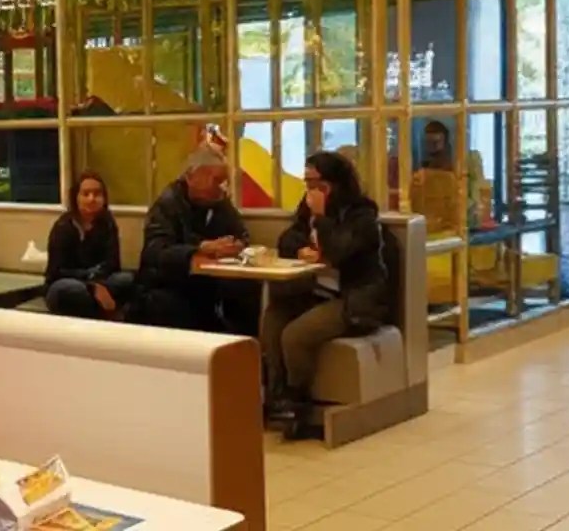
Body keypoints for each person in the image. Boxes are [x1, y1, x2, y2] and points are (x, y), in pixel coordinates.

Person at [263, 151, 391, 429]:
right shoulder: (306, 207)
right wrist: (300, 248)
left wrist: (321, 218)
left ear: (333, 183)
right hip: (316, 291)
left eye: (315, 183)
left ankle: (298, 399)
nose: (309, 190)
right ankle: (276, 395)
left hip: (356, 300)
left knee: (295, 335)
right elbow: (287, 238)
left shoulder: (362, 215)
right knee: (273, 318)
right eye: (306, 182)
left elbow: (340, 251)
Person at [136, 145, 261, 335]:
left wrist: (236, 245)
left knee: (247, 290)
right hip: (169, 284)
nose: (223, 187)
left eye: (225, 181)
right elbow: (156, 251)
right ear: (191, 177)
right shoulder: (168, 204)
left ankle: (247, 353)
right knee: (176, 307)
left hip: (207, 283)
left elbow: (241, 233)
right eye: (217, 180)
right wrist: (200, 248)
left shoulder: (219, 202)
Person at [44, 171, 135, 320]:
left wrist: (99, 283)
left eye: (97, 194)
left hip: (102, 281)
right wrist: (91, 286)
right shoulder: (64, 226)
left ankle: (100, 310)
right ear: (76, 198)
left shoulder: (107, 223)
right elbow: (56, 272)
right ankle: (103, 312)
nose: (92, 199)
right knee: (68, 290)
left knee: (127, 279)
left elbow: (113, 264)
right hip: (70, 284)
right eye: (86, 194)